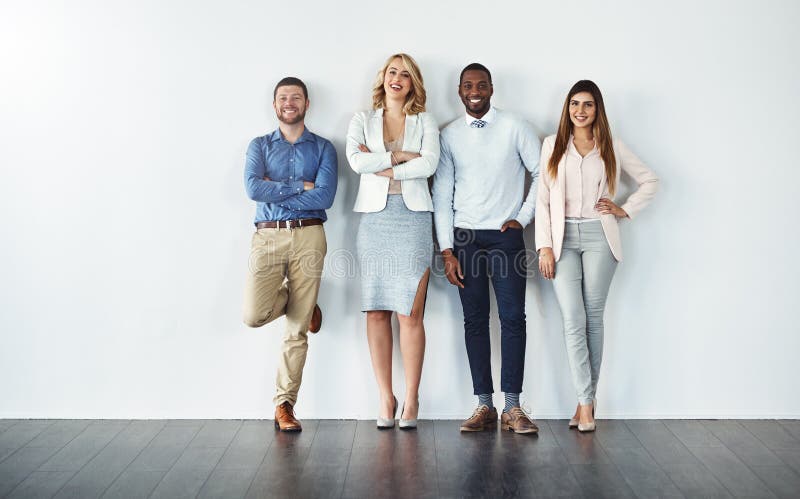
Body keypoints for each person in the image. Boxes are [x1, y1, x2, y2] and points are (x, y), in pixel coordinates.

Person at [535, 80, 658, 432]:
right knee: (572, 319)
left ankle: (585, 403)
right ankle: (586, 401)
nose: (580, 111)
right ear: (567, 108)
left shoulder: (611, 146)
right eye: (575, 104)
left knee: (592, 318)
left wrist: (624, 209)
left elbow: (650, 181)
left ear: (597, 109)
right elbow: (543, 198)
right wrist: (544, 246)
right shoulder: (552, 145)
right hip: (562, 240)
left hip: (600, 238)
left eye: (588, 104)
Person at [432, 63, 541, 434]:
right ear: (459, 91)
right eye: (468, 85)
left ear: (491, 88)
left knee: (512, 318)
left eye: (481, 85)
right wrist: (447, 250)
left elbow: (543, 173)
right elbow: (442, 194)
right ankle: (484, 405)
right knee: (474, 320)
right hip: (465, 239)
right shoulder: (449, 135)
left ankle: (512, 407)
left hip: (505, 235)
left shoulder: (514, 126)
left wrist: (522, 218)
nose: (474, 91)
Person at [346, 53, 439, 429]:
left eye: (405, 74)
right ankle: (386, 396)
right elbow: (356, 161)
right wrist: (400, 156)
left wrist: (383, 166)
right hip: (374, 221)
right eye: (392, 72)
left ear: (413, 82)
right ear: (382, 78)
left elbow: (429, 164)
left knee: (410, 314)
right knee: (376, 311)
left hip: (413, 219)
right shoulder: (361, 119)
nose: (397, 78)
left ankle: (412, 398)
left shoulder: (425, 120)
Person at [242, 76, 338, 432]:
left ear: (306, 104)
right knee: (253, 315)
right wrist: (300, 186)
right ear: (274, 104)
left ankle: (284, 404)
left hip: (310, 235)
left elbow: (325, 197)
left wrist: (278, 191)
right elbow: (253, 188)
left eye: (296, 97)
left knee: (296, 330)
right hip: (267, 237)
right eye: (283, 97)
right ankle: (304, 302)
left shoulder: (324, 148)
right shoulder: (259, 146)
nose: (289, 103)